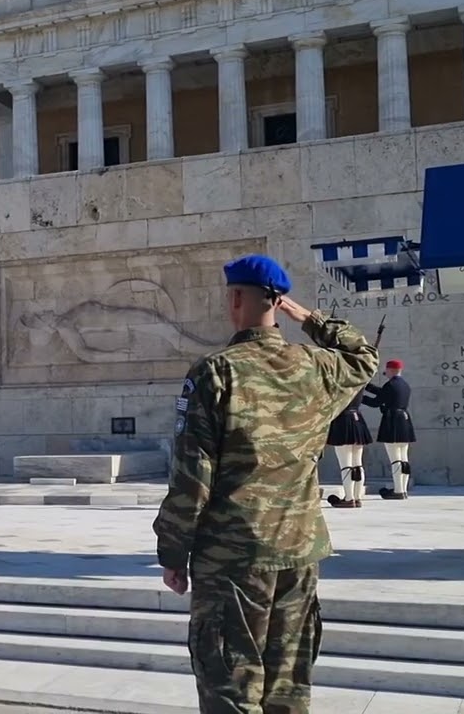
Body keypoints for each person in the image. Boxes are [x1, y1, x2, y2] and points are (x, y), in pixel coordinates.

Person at [152, 254, 379, 713]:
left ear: (235, 298)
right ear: (278, 301)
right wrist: (308, 318)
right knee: (288, 689)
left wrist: (173, 552)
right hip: (298, 550)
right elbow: (364, 356)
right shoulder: (317, 367)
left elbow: (193, 476)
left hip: (233, 556)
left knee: (231, 688)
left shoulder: (217, 371)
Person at [362, 359, 416, 500]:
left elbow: (376, 402)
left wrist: (360, 397)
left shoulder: (390, 385)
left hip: (392, 420)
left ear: (391, 370)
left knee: (395, 458)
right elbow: (383, 393)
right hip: (404, 419)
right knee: (403, 458)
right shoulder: (404, 385)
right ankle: (402, 489)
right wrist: (367, 386)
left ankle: (397, 491)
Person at [324, 387, 373, 509]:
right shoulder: (359, 382)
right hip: (357, 419)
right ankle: (357, 497)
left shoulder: (342, 382)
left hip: (343, 420)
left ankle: (349, 498)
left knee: (346, 465)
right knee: (357, 464)